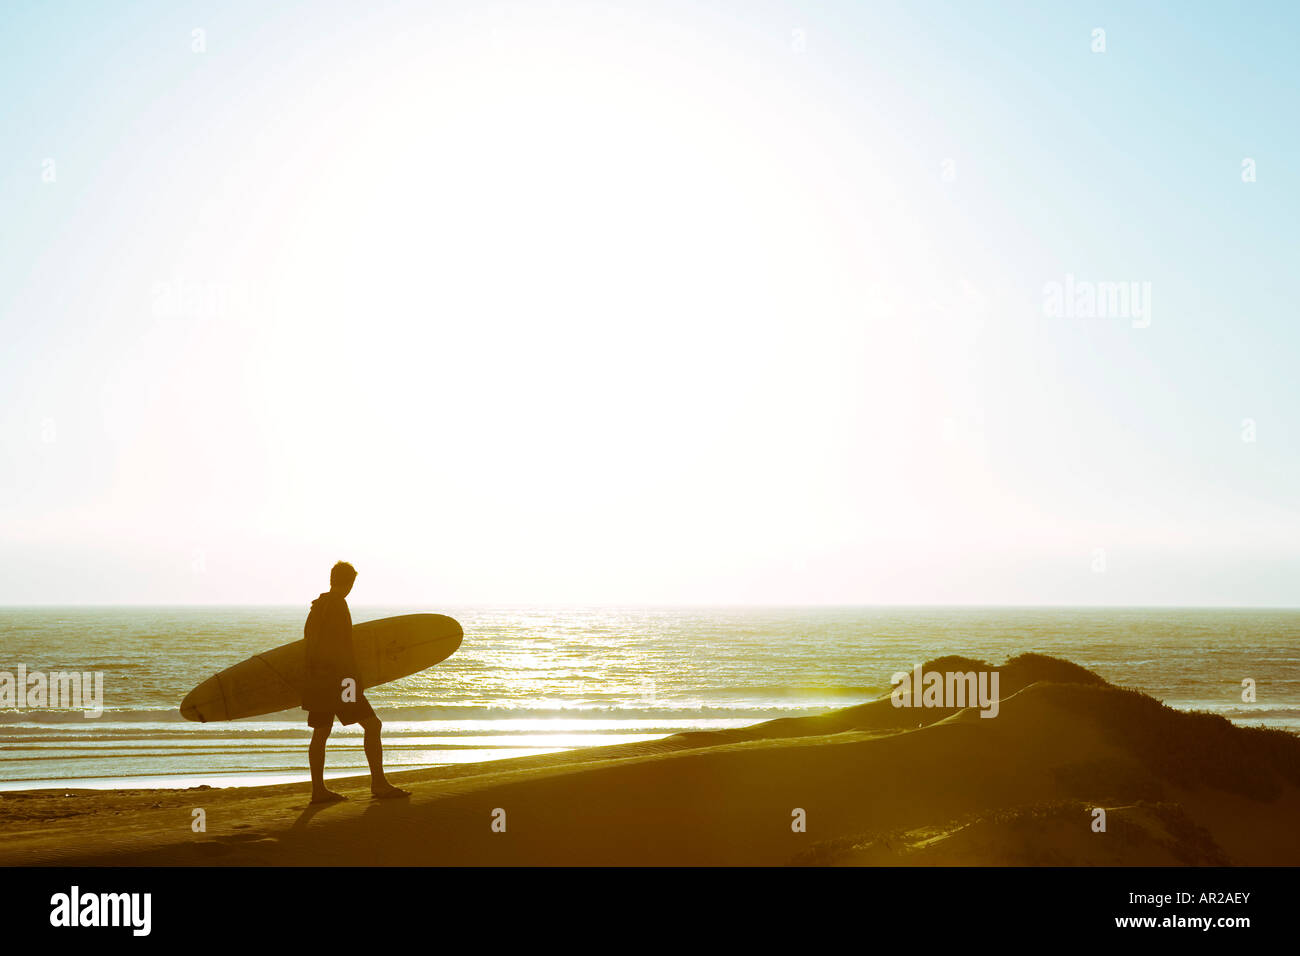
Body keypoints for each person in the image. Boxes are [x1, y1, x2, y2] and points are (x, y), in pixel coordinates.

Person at [302, 561, 409, 803]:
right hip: (339, 682)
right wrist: (353, 681)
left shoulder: (317, 606)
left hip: (317, 681)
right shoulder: (338, 605)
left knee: (320, 733)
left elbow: (309, 639)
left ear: (332, 579)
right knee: (373, 726)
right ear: (350, 583)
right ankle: (379, 784)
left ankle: (318, 790)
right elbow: (341, 648)